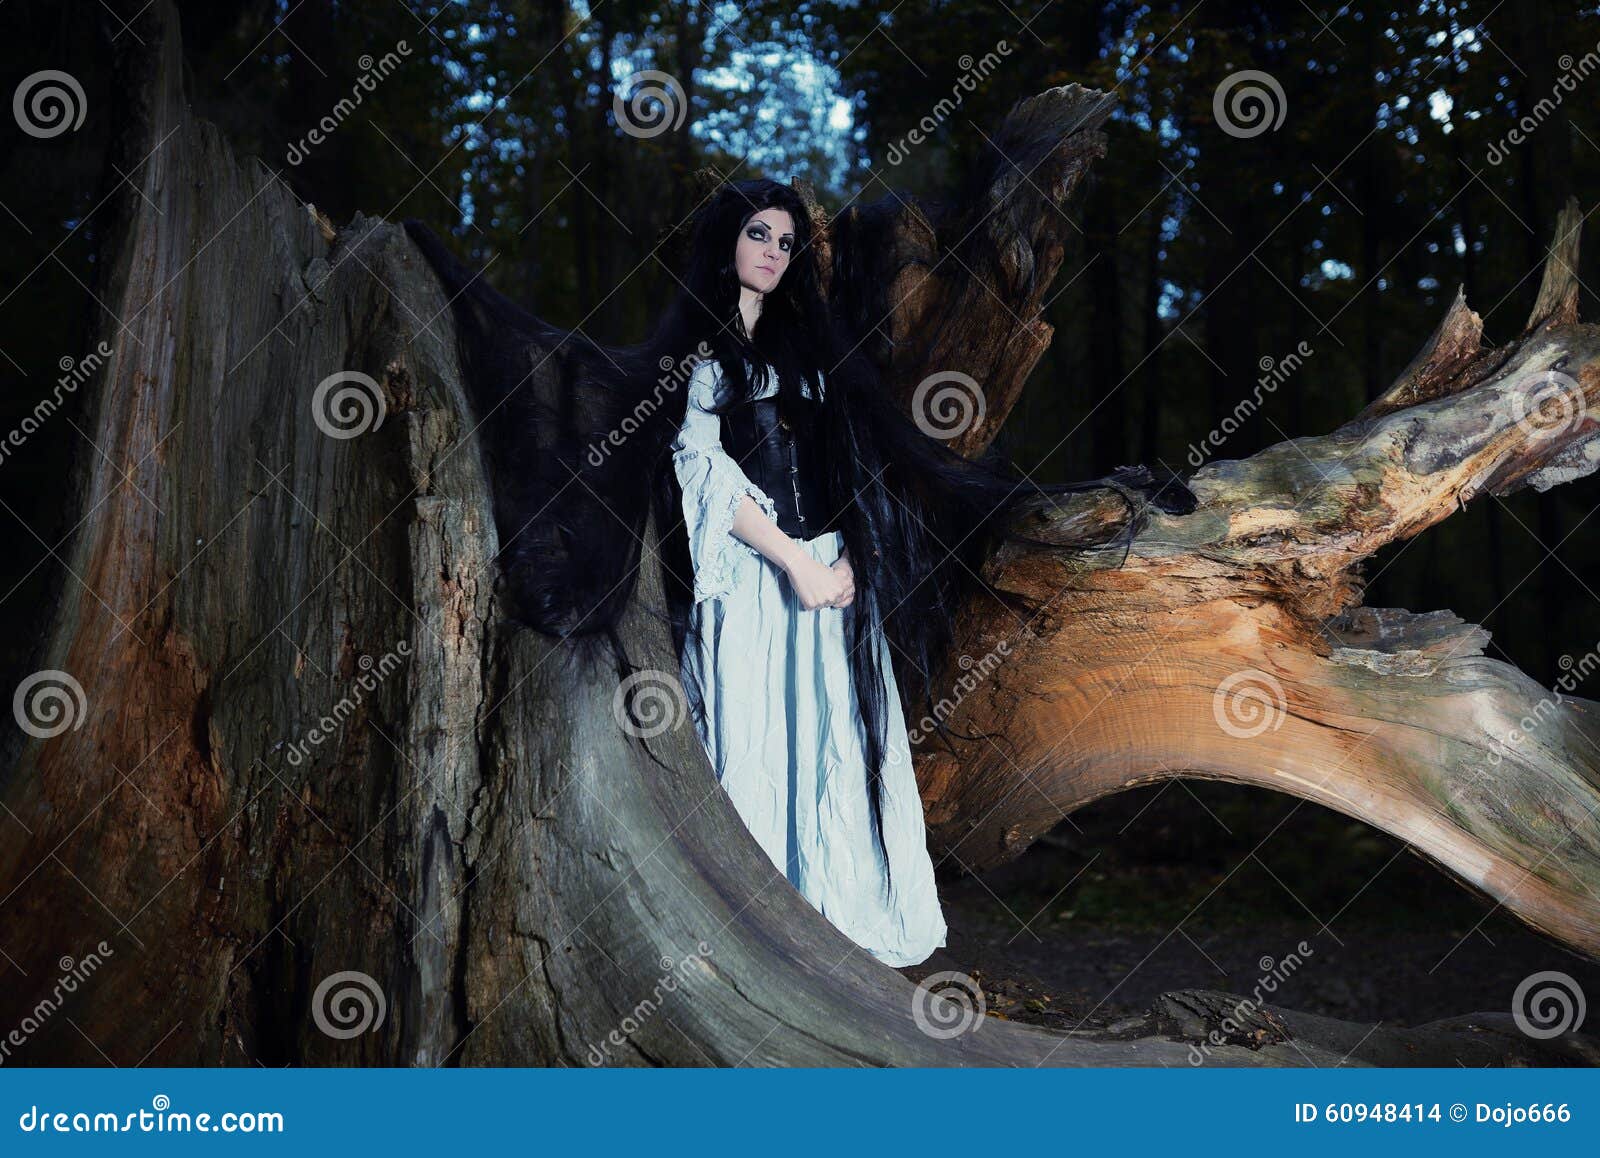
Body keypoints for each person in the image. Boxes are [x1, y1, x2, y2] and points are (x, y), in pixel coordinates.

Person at [403, 177, 1195, 969]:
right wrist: (792, 563)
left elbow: (857, 461)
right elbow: (699, 466)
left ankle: (837, 931)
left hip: (833, 577)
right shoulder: (696, 356)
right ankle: (758, 939)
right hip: (755, 581)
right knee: (758, 743)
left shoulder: (810, 354)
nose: (773, 254)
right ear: (726, 242)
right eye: (759, 236)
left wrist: (851, 555)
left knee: (832, 746)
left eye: (785, 242)